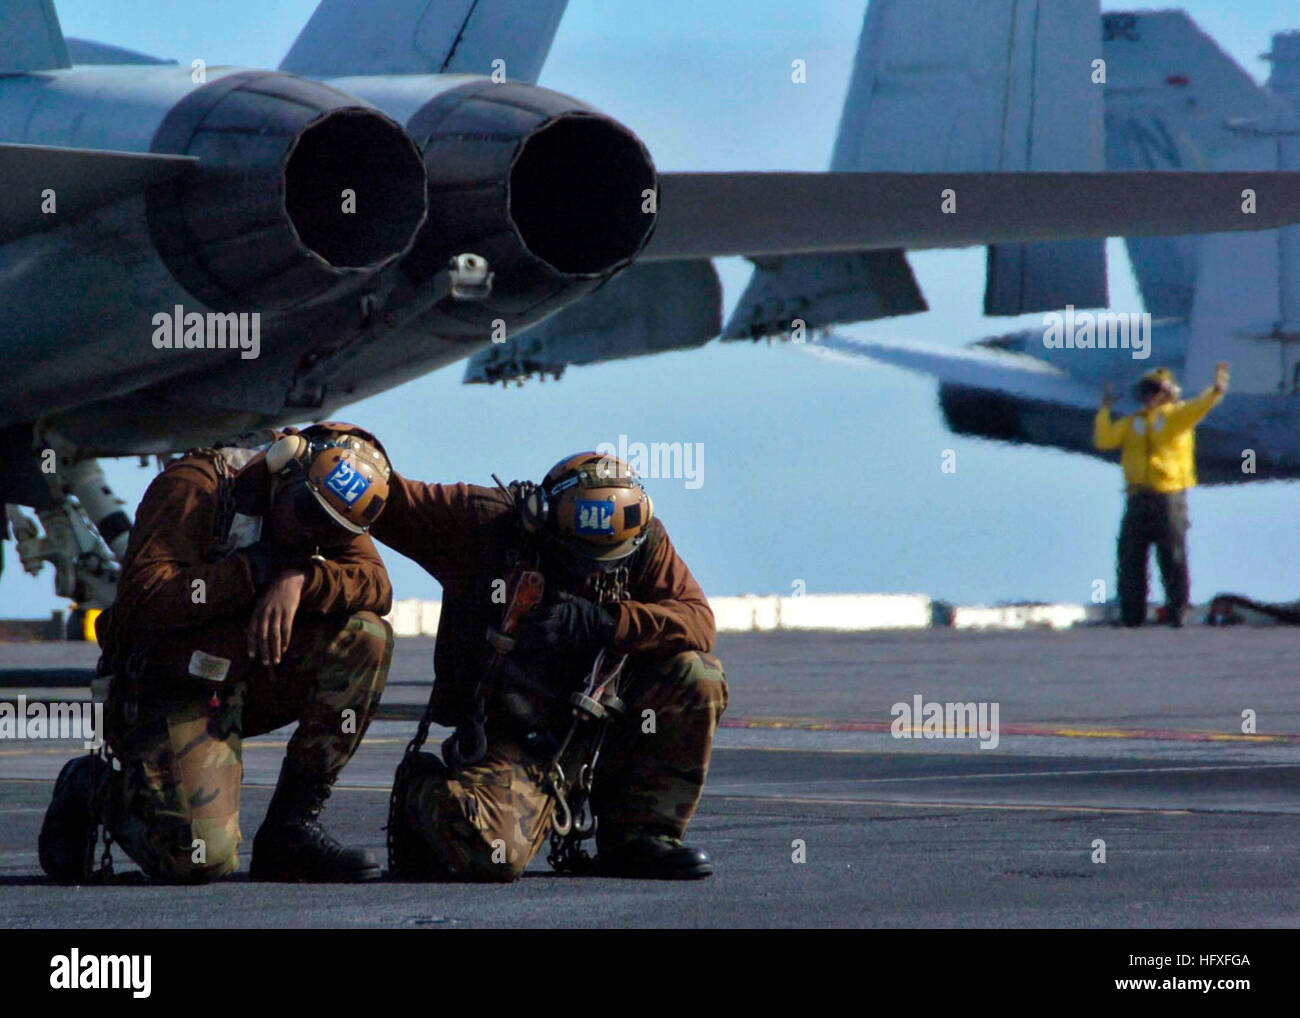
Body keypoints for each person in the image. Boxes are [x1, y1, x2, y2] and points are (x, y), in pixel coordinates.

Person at [39, 423, 396, 883]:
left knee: (367, 635)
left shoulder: (323, 502)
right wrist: (252, 572)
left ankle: (290, 830)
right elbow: (144, 600)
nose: (317, 531)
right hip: (170, 688)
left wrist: (300, 578)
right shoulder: (196, 487)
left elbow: (376, 584)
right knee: (200, 858)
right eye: (308, 512)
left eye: (334, 528)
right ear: (284, 468)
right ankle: (94, 788)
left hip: (243, 675)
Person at [374, 451, 727, 880]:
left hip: (601, 724)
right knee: (492, 856)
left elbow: (697, 621)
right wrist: (331, 453)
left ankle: (641, 836)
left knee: (697, 675)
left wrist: (604, 622)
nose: (591, 570)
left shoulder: (644, 539)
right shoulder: (483, 523)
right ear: (545, 515)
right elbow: (387, 497)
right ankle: (423, 792)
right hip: (515, 734)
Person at [1094, 363, 1229, 627]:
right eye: (1145, 390)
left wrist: (1216, 391)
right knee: (1130, 557)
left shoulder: (1177, 416)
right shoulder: (1132, 423)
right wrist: (1105, 411)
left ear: (1167, 392)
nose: (1149, 395)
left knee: (1172, 557)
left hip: (1168, 496)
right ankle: (1131, 614)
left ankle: (1177, 611)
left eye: (1154, 390)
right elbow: (1104, 440)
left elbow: (1200, 407)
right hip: (1137, 497)